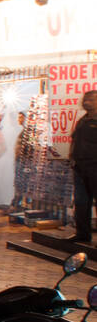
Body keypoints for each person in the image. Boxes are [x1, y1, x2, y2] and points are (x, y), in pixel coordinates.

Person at [71, 91, 97, 244]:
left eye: (91, 99)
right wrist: (72, 157)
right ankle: (82, 234)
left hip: (94, 166)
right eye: (85, 99)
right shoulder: (82, 120)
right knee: (81, 202)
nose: (86, 102)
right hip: (80, 168)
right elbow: (74, 140)